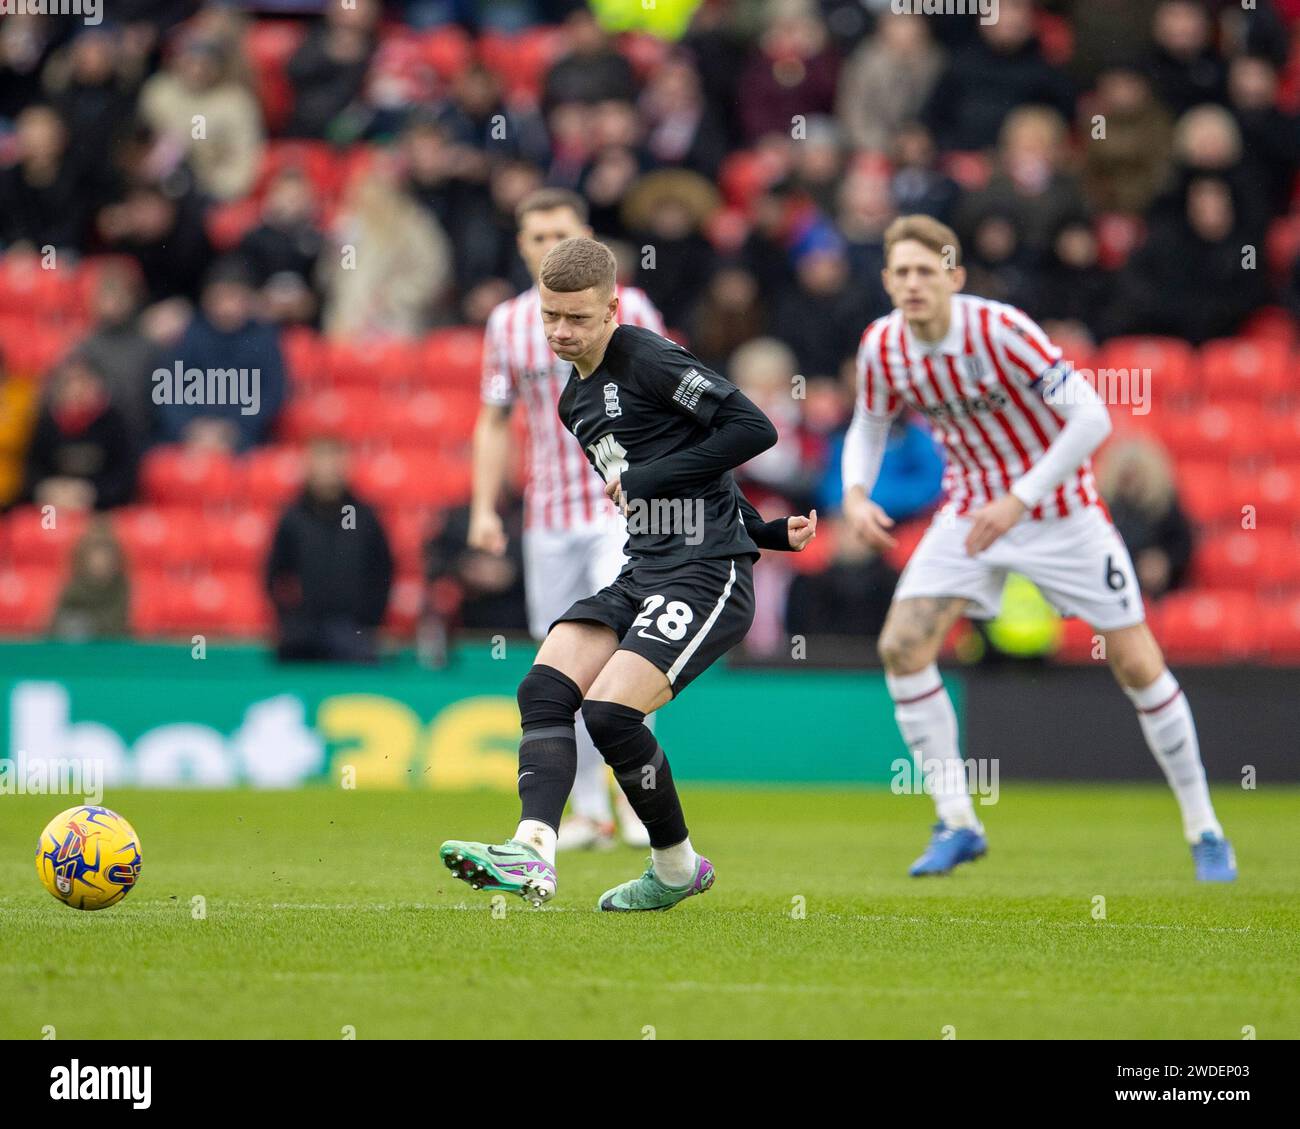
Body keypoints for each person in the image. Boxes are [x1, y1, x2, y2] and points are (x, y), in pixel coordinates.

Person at [841, 214, 1235, 882]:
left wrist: (1020, 497)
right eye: (901, 272)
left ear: (954, 276)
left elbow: (1093, 417)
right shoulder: (883, 347)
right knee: (902, 644)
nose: (913, 283)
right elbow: (869, 424)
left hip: (1060, 514)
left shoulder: (1001, 331)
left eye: (926, 271)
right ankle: (958, 821)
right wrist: (855, 492)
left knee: (1138, 663)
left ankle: (1205, 828)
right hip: (970, 514)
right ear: (886, 280)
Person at [441, 236, 817, 910]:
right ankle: (532, 851)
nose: (561, 330)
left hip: (707, 571)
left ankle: (675, 866)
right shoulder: (571, 404)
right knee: (545, 687)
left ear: (612, 308)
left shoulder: (645, 355)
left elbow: (751, 427)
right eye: (551, 316)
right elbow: (693, 472)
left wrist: (676, 495)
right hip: (645, 567)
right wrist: (762, 526)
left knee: (613, 713)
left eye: (578, 317)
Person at [469, 187, 666, 852]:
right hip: (547, 517)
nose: (550, 244)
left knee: (624, 652)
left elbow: (672, 396)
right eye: (536, 236)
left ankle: (640, 801)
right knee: (562, 669)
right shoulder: (507, 324)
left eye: (562, 232)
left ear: (585, 234)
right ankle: (590, 812)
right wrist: (483, 508)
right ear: (521, 245)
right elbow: (494, 418)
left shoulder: (629, 307)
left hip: (623, 513)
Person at [265, 436, 394, 663]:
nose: (328, 469)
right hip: (304, 632)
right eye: (321, 461)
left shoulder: (364, 516)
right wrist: (288, 619)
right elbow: (274, 573)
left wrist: (371, 619)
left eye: (334, 461)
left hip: (353, 631)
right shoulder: (293, 517)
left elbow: (383, 570)